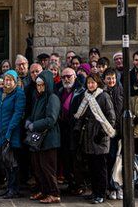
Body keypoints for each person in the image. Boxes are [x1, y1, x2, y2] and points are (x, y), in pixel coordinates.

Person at [74, 73, 115, 205]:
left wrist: (102, 133)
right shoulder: (86, 97)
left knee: (100, 168)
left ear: (97, 83)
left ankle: (101, 193)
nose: (90, 85)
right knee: (91, 168)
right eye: (88, 83)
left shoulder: (104, 96)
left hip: (100, 137)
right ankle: (95, 192)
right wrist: (77, 128)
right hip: (88, 137)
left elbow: (111, 117)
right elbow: (81, 116)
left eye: (92, 82)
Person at [26, 70, 61, 204]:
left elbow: (51, 119)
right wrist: (29, 121)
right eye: (38, 85)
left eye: (42, 85)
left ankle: (54, 193)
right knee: (38, 166)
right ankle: (43, 190)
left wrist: (34, 125)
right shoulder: (38, 97)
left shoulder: (52, 98)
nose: (39, 87)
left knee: (48, 168)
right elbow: (34, 114)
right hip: (38, 139)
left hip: (49, 138)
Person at [0, 70, 26, 199]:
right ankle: (9, 187)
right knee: (5, 161)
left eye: (10, 80)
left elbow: (17, 114)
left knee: (12, 162)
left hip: (12, 133)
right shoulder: (1, 93)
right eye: (5, 80)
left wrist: (9, 132)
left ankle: (14, 189)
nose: (7, 82)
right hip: (1, 133)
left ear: (15, 81)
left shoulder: (19, 93)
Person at [57, 68, 84, 196]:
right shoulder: (60, 91)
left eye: (69, 76)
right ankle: (71, 183)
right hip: (63, 130)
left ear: (74, 76)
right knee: (65, 158)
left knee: (77, 160)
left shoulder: (81, 91)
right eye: (63, 77)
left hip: (75, 130)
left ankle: (79, 185)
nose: (66, 79)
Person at [102, 70, 125, 200]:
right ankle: (111, 187)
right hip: (107, 130)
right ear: (104, 79)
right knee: (110, 159)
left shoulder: (121, 91)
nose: (111, 81)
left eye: (113, 78)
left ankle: (119, 186)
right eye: (108, 78)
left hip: (119, 131)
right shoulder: (102, 92)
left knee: (119, 160)